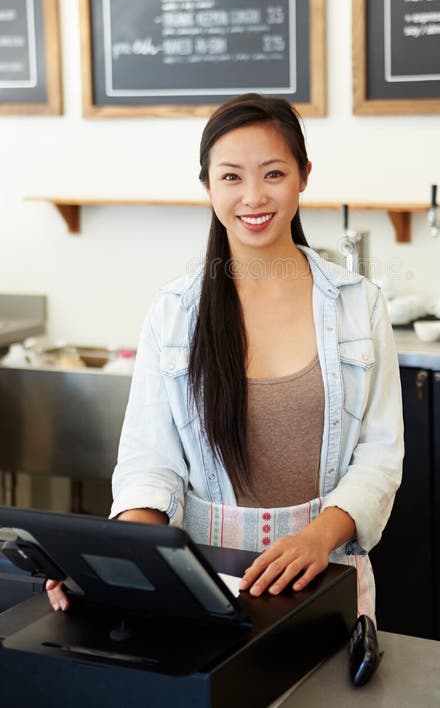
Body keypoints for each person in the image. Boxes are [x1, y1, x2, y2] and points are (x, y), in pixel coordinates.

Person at [47, 93, 404, 619]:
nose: (253, 197)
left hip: (327, 572)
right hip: (205, 582)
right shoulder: (175, 311)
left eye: (274, 174)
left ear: (304, 176)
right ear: (208, 186)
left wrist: (317, 538)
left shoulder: (358, 304)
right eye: (232, 177)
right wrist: (113, 559)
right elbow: (150, 465)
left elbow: (379, 455)